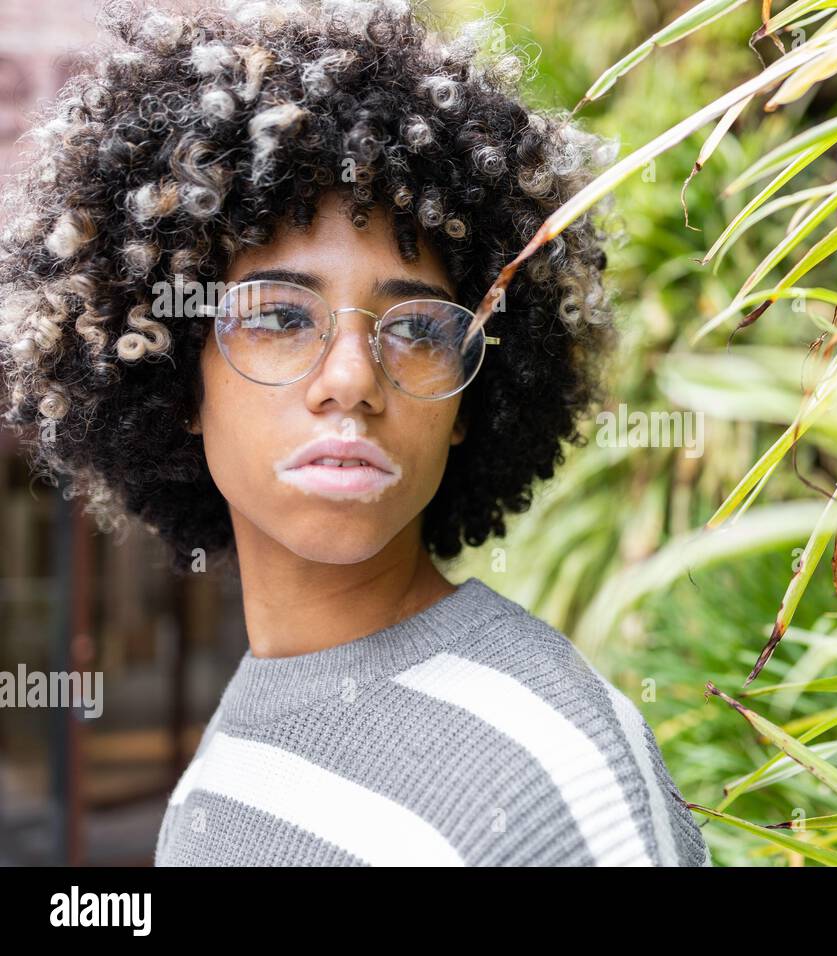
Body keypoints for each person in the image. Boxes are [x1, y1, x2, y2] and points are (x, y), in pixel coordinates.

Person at [0, 0, 710, 866]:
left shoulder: (553, 768)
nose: (350, 381)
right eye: (277, 318)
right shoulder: (233, 754)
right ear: (177, 379)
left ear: (468, 405)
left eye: (415, 328)